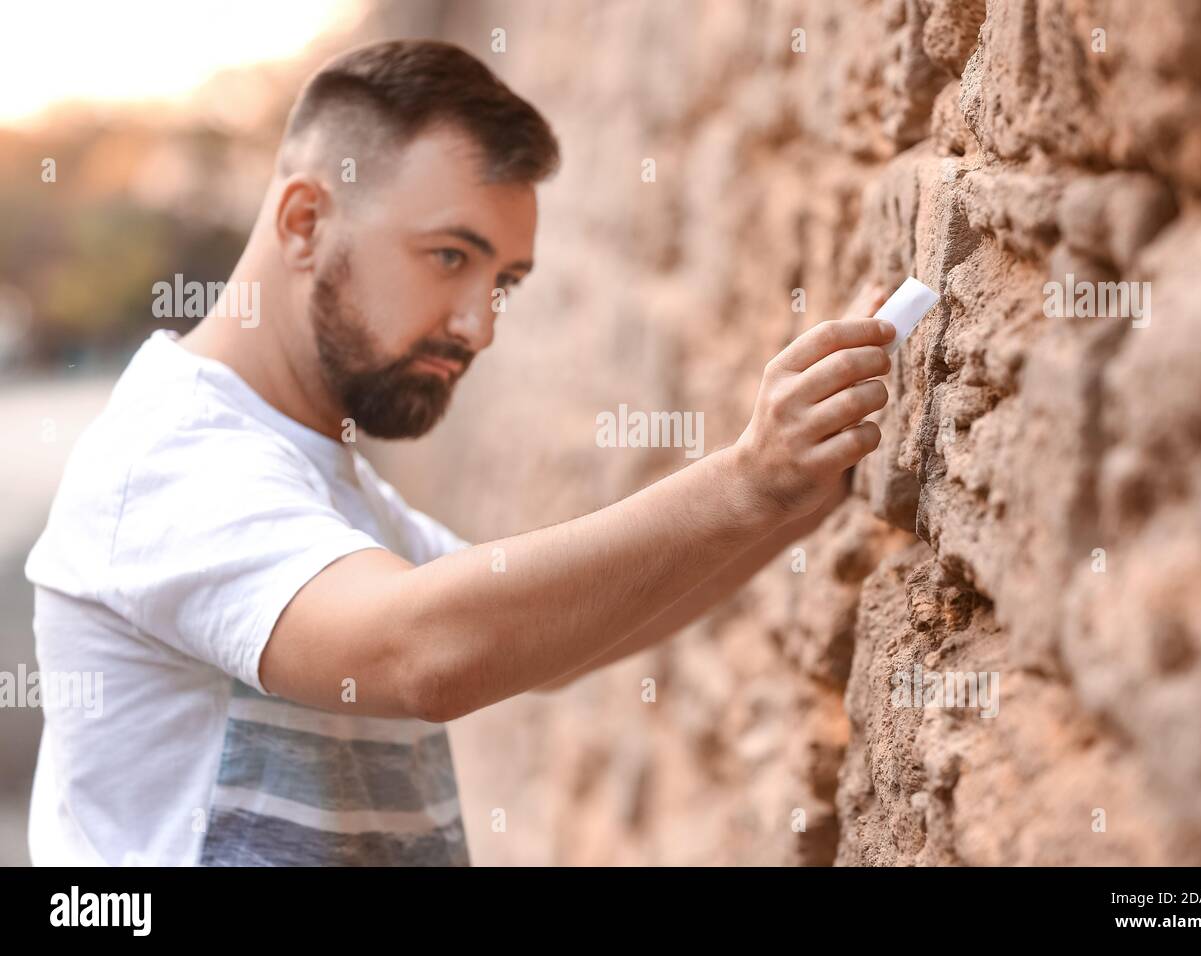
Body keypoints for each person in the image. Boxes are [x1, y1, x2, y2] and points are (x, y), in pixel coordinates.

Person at [24, 39, 894, 866]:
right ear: (303, 220)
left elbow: (555, 643)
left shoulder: (321, 479)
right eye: (449, 256)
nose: (479, 325)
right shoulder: (172, 459)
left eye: (504, 283)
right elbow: (420, 654)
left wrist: (784, 503)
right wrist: (745, 481)